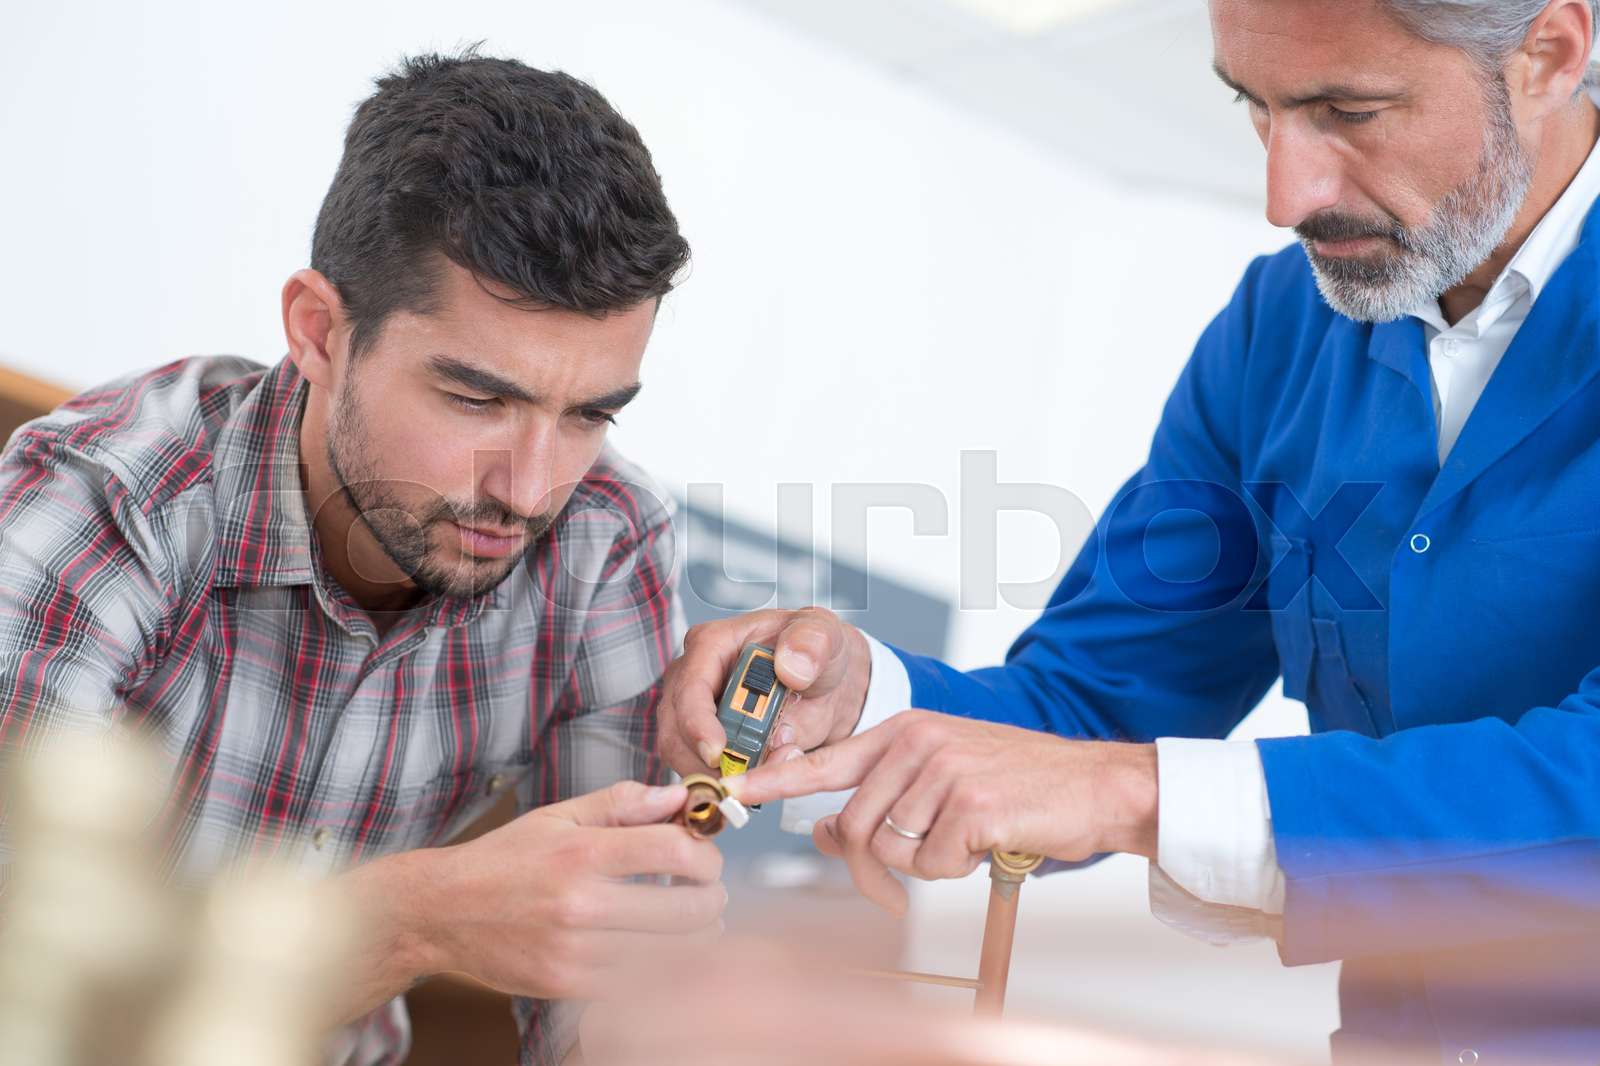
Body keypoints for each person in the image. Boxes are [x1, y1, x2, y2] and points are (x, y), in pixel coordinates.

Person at [658, 2, 1600, 1061]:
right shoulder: (1280, 330)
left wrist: (1134, 796)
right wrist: (863, 700)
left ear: (1547, 56)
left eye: (1349, 110)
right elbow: (1092, 706)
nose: (1284, 196)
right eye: (1256, 108)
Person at [0, 51, 722, 1066]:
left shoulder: (605, 539)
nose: (528, 488)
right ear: (319, 332)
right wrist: (408, 920)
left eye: (587, 415)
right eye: (476, 399)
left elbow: (619, 988)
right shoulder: (107, 498)